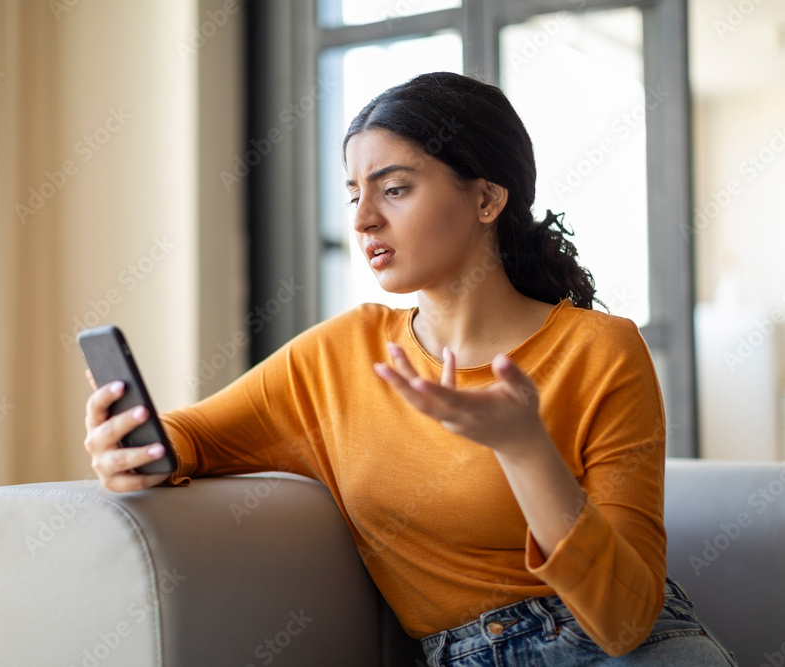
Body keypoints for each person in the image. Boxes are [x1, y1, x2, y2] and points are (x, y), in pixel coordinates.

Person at [83, 71, 736, 666]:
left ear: (486, 199)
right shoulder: (338, 356)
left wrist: (522, 445)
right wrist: (127, 447)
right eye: (354, 193)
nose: (364, 218)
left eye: (395, 188)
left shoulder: (602, 350)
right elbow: (190, 438)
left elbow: (624, 622)